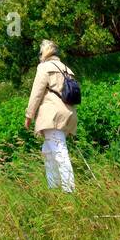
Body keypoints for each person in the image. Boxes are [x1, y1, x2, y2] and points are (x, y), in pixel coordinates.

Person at [24, 39, 77, 193]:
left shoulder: (44, 67)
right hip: (68, 114)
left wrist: (29, 116)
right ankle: (53, 187)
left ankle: (69, 191)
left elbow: (36, 93)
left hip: (52, 115)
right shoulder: (67, 69)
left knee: (59, 151)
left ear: (43, 53)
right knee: (48, 151)